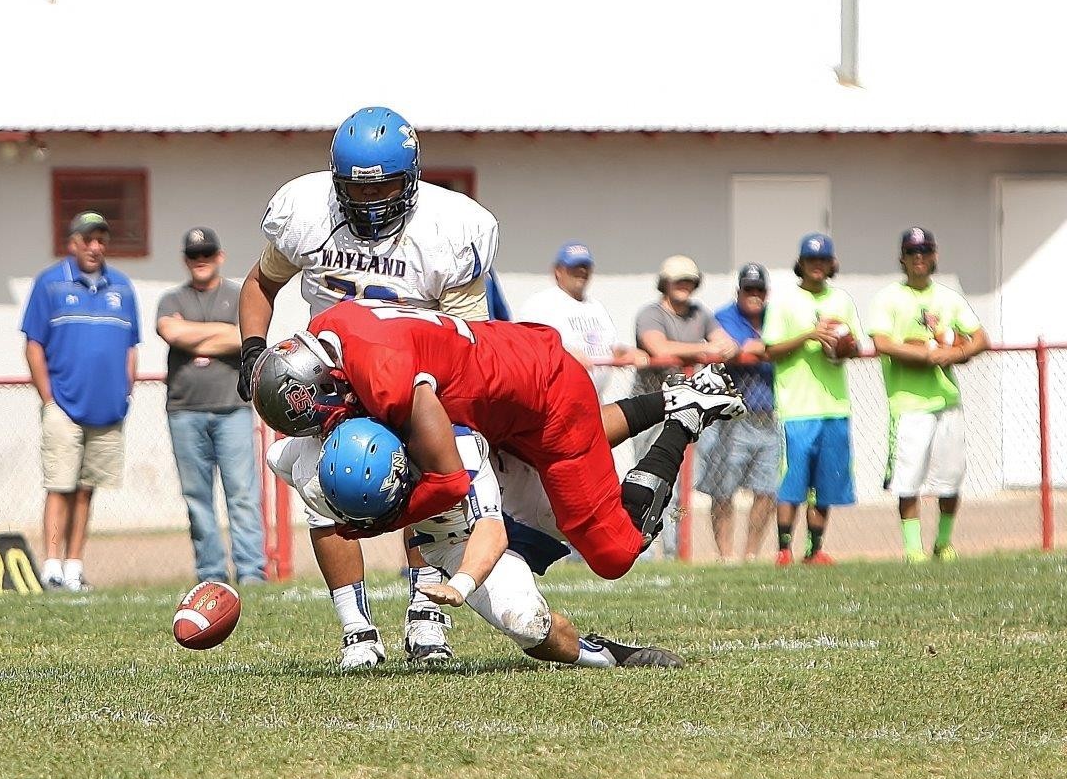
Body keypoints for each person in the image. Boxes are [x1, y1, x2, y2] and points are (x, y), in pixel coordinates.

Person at [236, 106, 500, 668]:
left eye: (385, 187)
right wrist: (253, 350)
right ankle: (357, 630)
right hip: (329, 376)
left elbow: (469, 335)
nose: (371, 202)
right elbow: (261, 283)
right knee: (322, 488)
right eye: (357, 190)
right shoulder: (304, 210)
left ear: (413, 178)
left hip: (418, 375)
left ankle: (426, 617)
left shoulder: (451, 227)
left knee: (430, 484)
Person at [251, 300, 746, 581]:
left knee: (613, 553)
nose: (324, 428)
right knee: (578, 441)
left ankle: (685, 416)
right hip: (509, 368)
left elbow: (447, 482)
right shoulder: (326, 330)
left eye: (316, 417)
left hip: (547, 394)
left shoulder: (385, 379)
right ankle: (675, 395)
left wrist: (379, 522)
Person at [267, 418, 684, 669]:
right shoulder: (306, 465)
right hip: (448, 541)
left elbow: (490, 530)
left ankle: (679, 416)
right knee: (529, 625)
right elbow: (281, 456)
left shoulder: (453, 448)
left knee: (623, 531)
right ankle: (602, 654)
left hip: (504, 497)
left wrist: (460, 585)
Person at [21, 211, 141, 592]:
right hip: (64, 408)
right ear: (72, 243)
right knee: (60, 486)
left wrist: (126, 392)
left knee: (88, 489)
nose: (95, 247)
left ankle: (74, 566)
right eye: (87, 239)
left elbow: (131, 348)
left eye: (101, 239)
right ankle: (51, 566)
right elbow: (34, 345)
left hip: (107, 411)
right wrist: (49, 399)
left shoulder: (121, 287)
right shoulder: (50, 284)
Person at [868, 228, 989, 563]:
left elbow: (980, 338)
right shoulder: (889, 297)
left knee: (950, 478)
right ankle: (913, 550)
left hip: (947, 401)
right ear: (902, 258)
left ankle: (943, 543)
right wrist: (925, 353)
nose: (918, 257)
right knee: (908, 480)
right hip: (908, 404)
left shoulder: (948, 298)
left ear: (935, 256)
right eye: (911, 251)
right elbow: (882, 342)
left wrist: (955, 354)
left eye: (924, 251)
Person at [157, 227, 265, 584]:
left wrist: (194, 338)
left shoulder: (239, 295)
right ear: (186, 260)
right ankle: (211, 575)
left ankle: (251, 572)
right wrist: (220, 334)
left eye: (207, 254)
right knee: (197, 500)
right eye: (193, 255)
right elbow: (170, 333)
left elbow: (242, 336)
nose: (200, 261)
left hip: (232, 407)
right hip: (184, 410)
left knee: (243, 495)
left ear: (220, 256)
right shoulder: (171, 299)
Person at [762, 234, 864, 567]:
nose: (817, 266)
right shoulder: (784, 302)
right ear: (801, 264)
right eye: (811, 260)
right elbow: (770, 349)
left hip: (834, 405)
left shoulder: (842, 301)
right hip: (796, 407)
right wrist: (810, 334)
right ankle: (783, 549)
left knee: (825, 485)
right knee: (792, 482)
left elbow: (856, 347)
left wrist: (841, 344)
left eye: (823, 260)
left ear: (831, 264)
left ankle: (815, 549)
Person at [633, 254, 738, 558]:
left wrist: (718, 348)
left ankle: (674, 550)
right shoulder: (650, 314)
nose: (684, 286)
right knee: (647, 480)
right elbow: (659, 348)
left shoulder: (700, 314)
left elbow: (727, 344)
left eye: (689, 281)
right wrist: (705, 350)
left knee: (678, 487)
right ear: (665, 283)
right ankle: (644, 551)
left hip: (687, 413)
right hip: (651, 411)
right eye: (678, 280)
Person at [695, 263, 779, 563]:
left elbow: (779, 346)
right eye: (748, 289)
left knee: (767, 490)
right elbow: (734, 350)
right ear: (739, 291)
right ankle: (726, 556)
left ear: (766, 293)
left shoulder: (775, 317)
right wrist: (769, 347)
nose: (754, 295)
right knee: (722, 491)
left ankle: (751, 553)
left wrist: (765, 347)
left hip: (767, 416)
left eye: (759, 290)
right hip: (731, 420)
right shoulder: (723, 317)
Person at [519, 241, 648, 399]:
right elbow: (527, 349)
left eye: (586, 266)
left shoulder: (596, 307)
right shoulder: (540, 304)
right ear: (558, 271)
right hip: (555, 402)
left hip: (593, 401)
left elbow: (611, 348)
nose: (581, 271)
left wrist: (628, 353)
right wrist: (564, 355)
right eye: (575, 266)